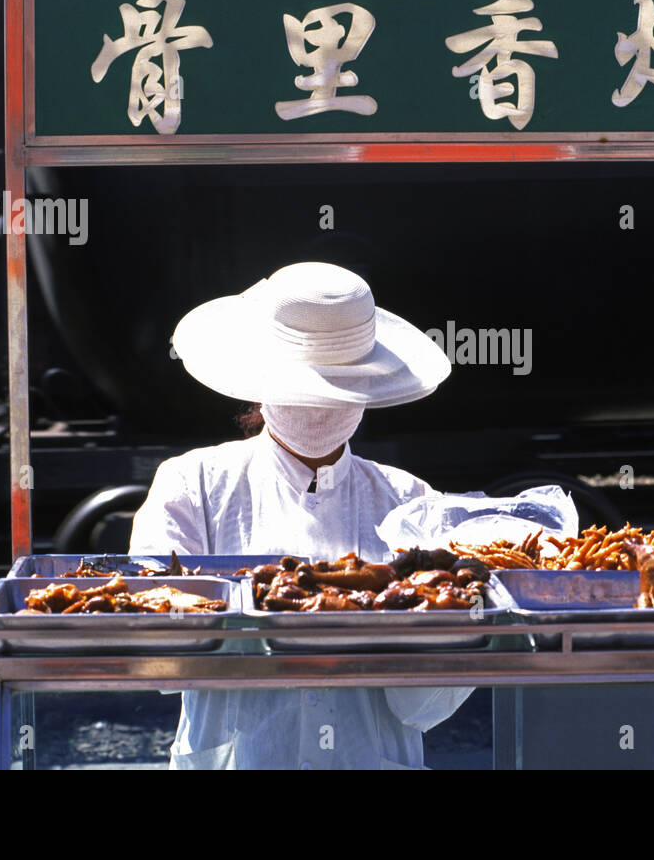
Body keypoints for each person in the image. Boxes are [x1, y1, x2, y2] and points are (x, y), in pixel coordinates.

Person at [129, 261, 469, 769]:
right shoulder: (193, 483)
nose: (317, 406)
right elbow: (158, 652)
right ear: (258, 380)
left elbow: (424, 704)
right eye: (304, 387)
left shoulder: (411, 501)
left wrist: (433, 628)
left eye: (336, 387)